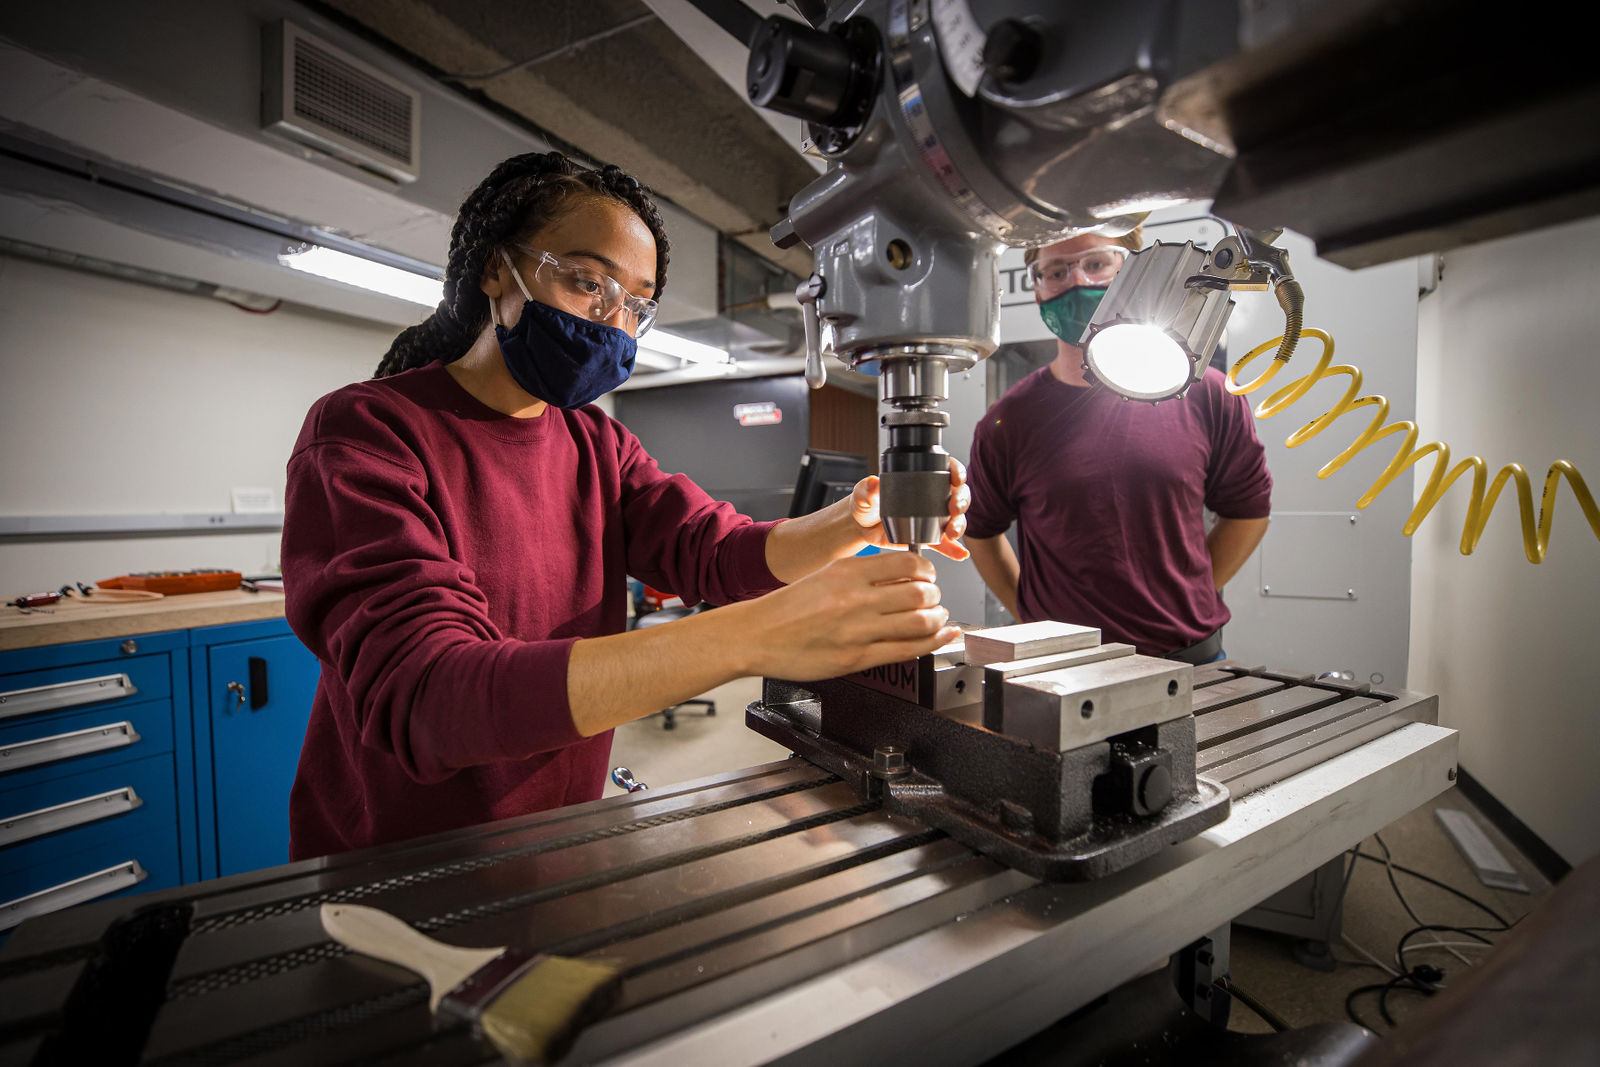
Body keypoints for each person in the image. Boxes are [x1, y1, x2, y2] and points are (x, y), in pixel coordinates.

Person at [281, 151, 970, 860]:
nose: (614, 323)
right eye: (588, 283)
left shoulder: (596, 443)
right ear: (495, 269)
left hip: (553, 839)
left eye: (636, 306)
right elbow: (431, 696)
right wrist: (751, 638)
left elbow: (712, 550)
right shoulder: (367, 430)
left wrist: (856, 517)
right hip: (399, 860)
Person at [964, 228, 1271, 662]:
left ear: (1135, 271)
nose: (1078, 282)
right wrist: (1031, 615)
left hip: (1190, 661)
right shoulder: (1008, 420)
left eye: (1096, 264)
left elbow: (1248, 512)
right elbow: (980, 532)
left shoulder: (1208, 394)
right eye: (1056, 271)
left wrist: (1188, 595)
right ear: (1036, 289)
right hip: (1059, 668)